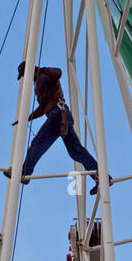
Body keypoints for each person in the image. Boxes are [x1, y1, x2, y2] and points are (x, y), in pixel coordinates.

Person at [6, 62, 101, 194]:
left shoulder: (43, 75)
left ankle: (24, 172)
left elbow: (58, 72)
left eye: (25, 75)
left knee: (38, 143)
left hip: (58, 114)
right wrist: (27, 118)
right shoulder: (39, 83)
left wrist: (41, 71)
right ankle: (101, 178)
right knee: (76, 151)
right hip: (61, 114)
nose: (25, 79)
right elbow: (43, 108)